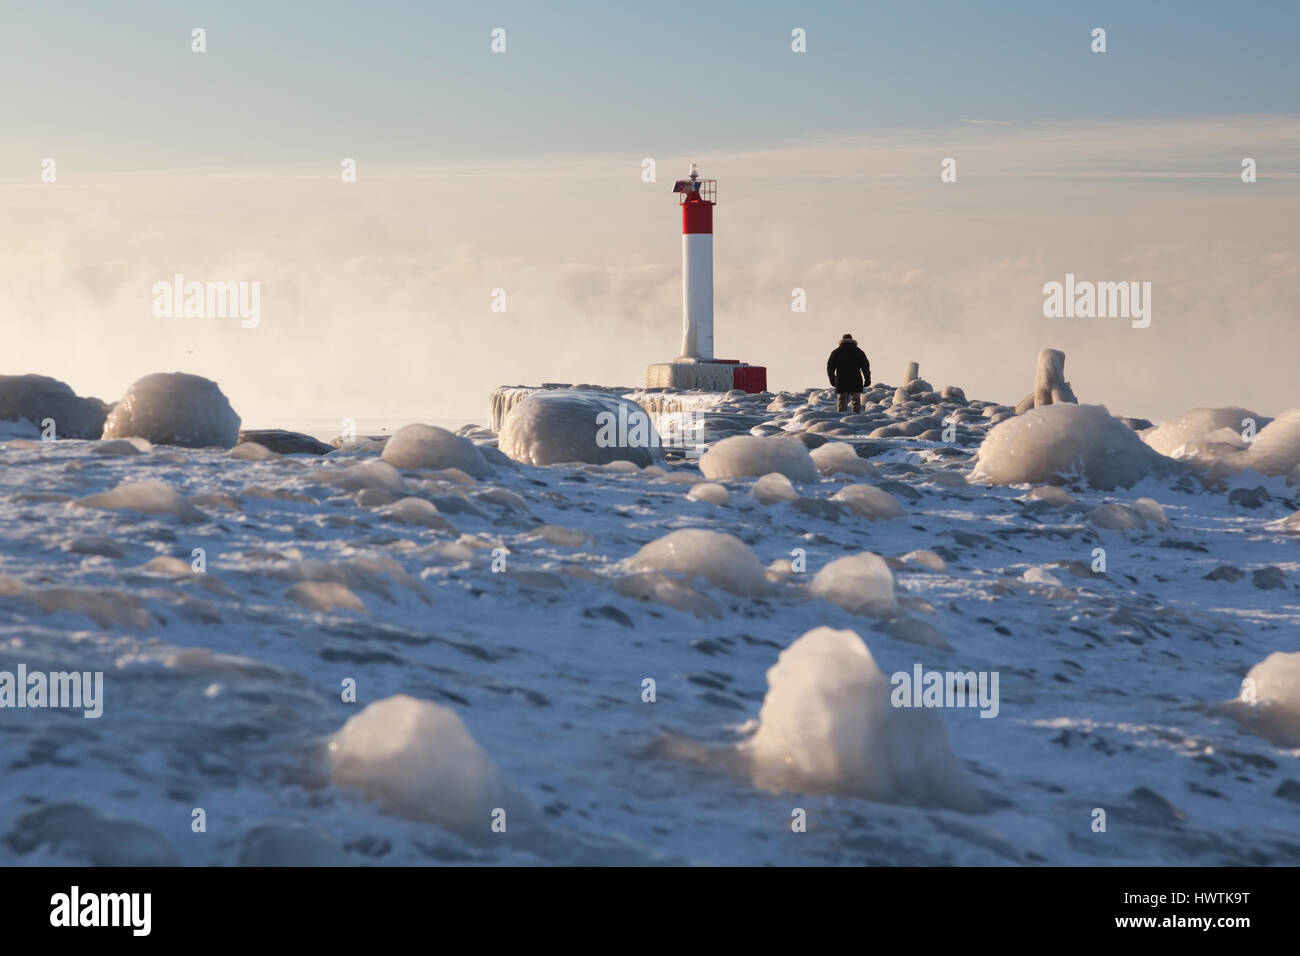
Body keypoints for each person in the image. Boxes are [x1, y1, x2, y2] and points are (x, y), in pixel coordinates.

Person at [826, 332, 871, 413]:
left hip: (841, 381)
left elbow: (830, 368)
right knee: (856, 402)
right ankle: (856, 422)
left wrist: (832, 380)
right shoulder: (859, 351)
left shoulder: (836, 352)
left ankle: (841, 423)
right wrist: (867, 379)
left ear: (842, 341)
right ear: (852, 340)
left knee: (842, 404)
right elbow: (865, 366)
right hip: (856, 380)